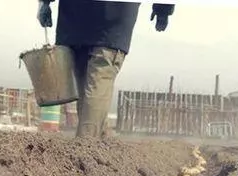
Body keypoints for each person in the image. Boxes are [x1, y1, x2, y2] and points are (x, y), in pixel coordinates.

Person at [37, 0, 175, 138]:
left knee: (86, 91)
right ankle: (85, 148)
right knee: (96, 85)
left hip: (75, 19)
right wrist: (163, 10)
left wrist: (44, 3)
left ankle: (94, 147)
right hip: (111, 23)